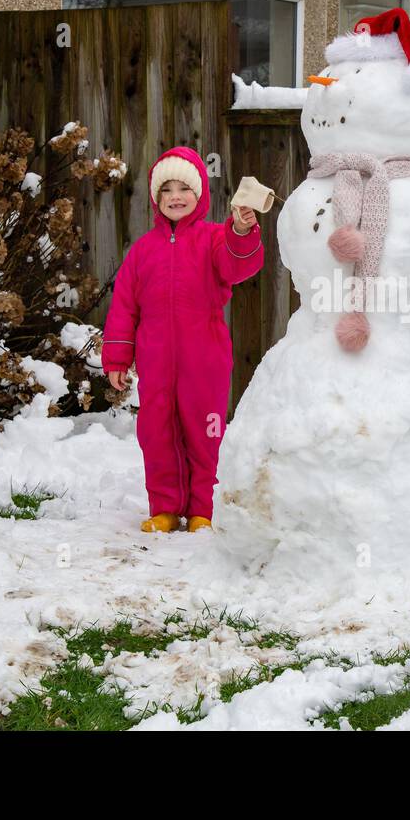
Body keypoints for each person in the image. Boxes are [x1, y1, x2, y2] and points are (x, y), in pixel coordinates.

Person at [101, 146, 264, 533]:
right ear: (157, 200)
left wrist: (241, 230)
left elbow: (238, 264)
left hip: (204, 361)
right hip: (156, 363)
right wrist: (118, 359)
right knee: (157, 433)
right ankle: (165, 508)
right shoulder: (142, 252)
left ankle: (202, 510)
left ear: (200, 195)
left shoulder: (212, 240)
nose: (176, 196)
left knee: (203, 431)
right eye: (167, 189)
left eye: (184, 188)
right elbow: (124, 307)